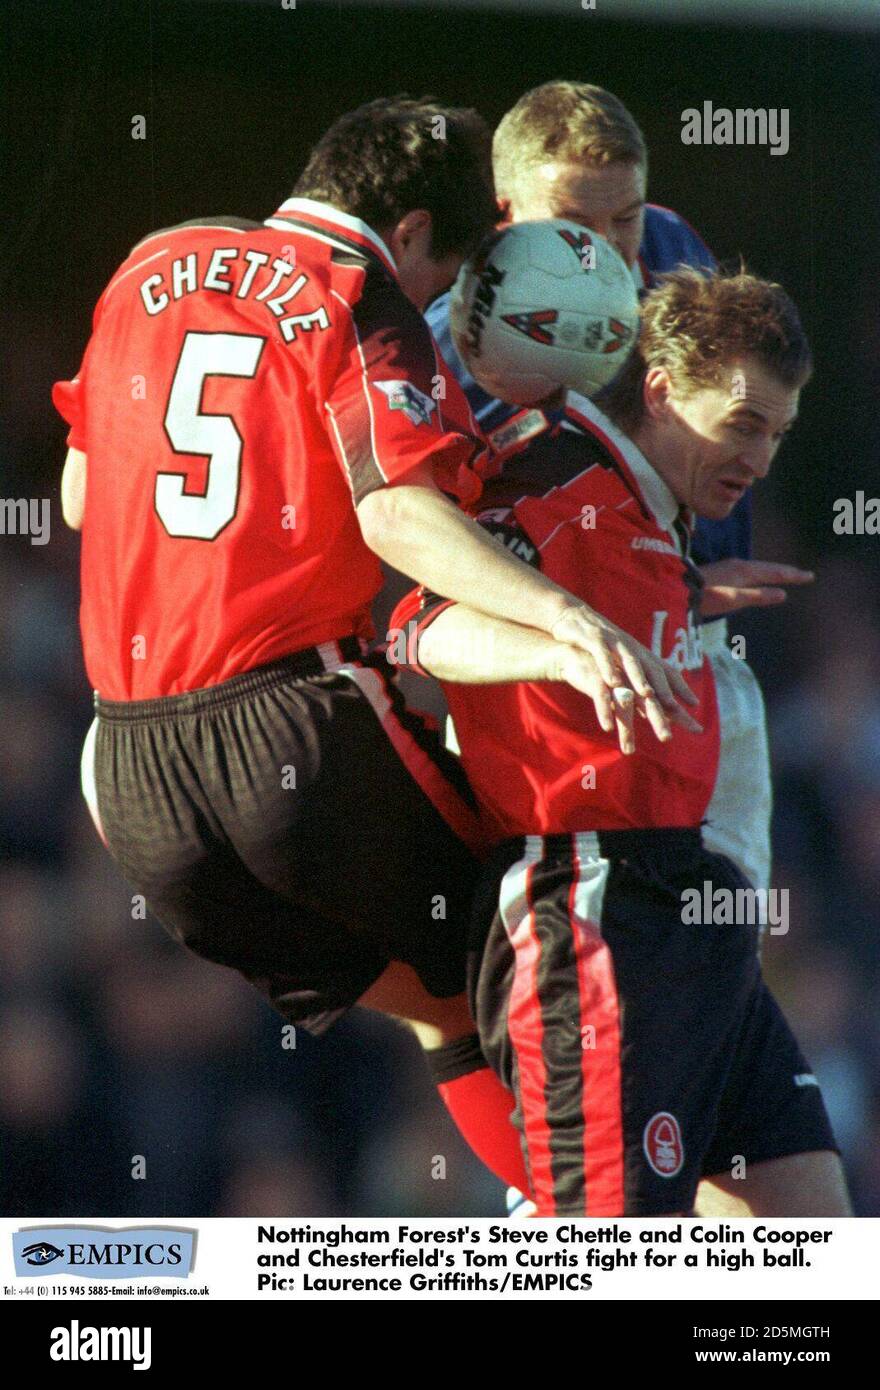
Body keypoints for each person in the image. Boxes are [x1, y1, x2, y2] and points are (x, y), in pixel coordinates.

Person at [53, 99, 693, 1114]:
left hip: (129, 778)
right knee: (551, 952)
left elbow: (83, 499)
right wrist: (566, 620)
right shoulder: (358, 294)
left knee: (450, 1008)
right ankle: (610, 1251)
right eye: (444, 271)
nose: (442, 303)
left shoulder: (148, 264)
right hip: (289, 743)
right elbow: (398, 518)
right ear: (408, 235)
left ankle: (550, 1219)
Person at [392, 259, 851, 1217]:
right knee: (606, 1252)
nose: (762, 458)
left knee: (814, 1243)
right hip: (595, 906)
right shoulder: (553, 473)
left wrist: (675, 592)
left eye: (780, 432)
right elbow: (419, 628)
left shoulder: (656, 514)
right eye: (742, 425)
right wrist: (564, 644)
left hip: (698, 920)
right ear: (659, 390)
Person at [427, 80, 814, 893]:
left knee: (726, 941)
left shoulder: (674, 247)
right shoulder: (451, 350)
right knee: (587, 963)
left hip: (698, 657)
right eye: (575, 224)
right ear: (504, 212)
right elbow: (429, 565)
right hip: (557, 702)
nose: (611, 252)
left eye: (624, 217)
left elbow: (726, 424)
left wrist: (691, 579)